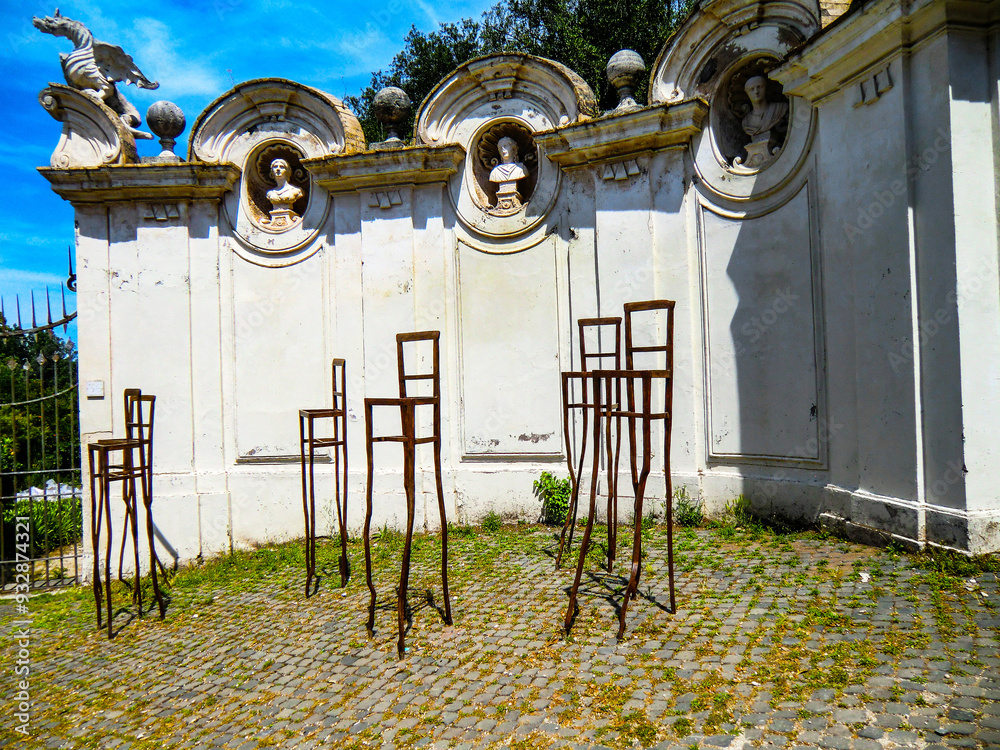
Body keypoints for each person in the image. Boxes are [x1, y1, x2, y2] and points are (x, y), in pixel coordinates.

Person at [741, 76, 788, 141]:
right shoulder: (746, 122)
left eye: (759, 87)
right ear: (747, 93)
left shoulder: (780, 108)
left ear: (766, 88)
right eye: (751, 89)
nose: (756, 92)